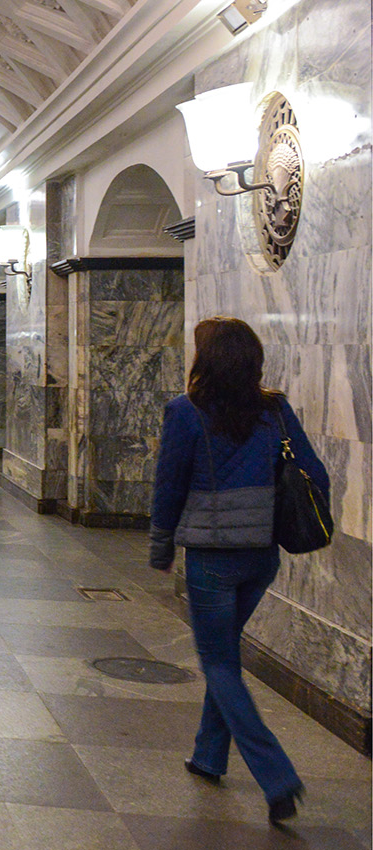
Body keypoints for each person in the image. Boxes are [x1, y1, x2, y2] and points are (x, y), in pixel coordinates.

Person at [149, 316, 327, 824]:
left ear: (206, 360)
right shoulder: (275, 409)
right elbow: (313, 472)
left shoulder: (185, 413)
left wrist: (161, 548)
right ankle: (208, 755)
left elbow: (169, 486)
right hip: (262, 556)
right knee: (224, 651)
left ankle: (277, 776)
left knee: (220, 663)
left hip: (212, 558)